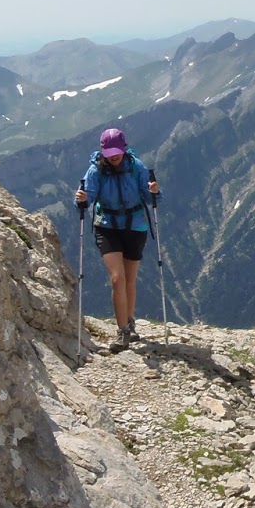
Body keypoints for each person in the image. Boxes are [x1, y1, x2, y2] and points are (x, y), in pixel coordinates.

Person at [75, 127, 160, 351]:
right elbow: (88, 198)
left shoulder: (137, 167)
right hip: (107, 226)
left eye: (117, 152)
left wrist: (154, 191)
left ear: (124, 149)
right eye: (110, 153)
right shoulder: (95, 171)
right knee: (117, 278)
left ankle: (130, 323)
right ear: (103, 151)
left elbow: (150, 196)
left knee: (130, 279)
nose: (114, 157)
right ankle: (122, 330)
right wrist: (82, 199)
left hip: (135, 226)